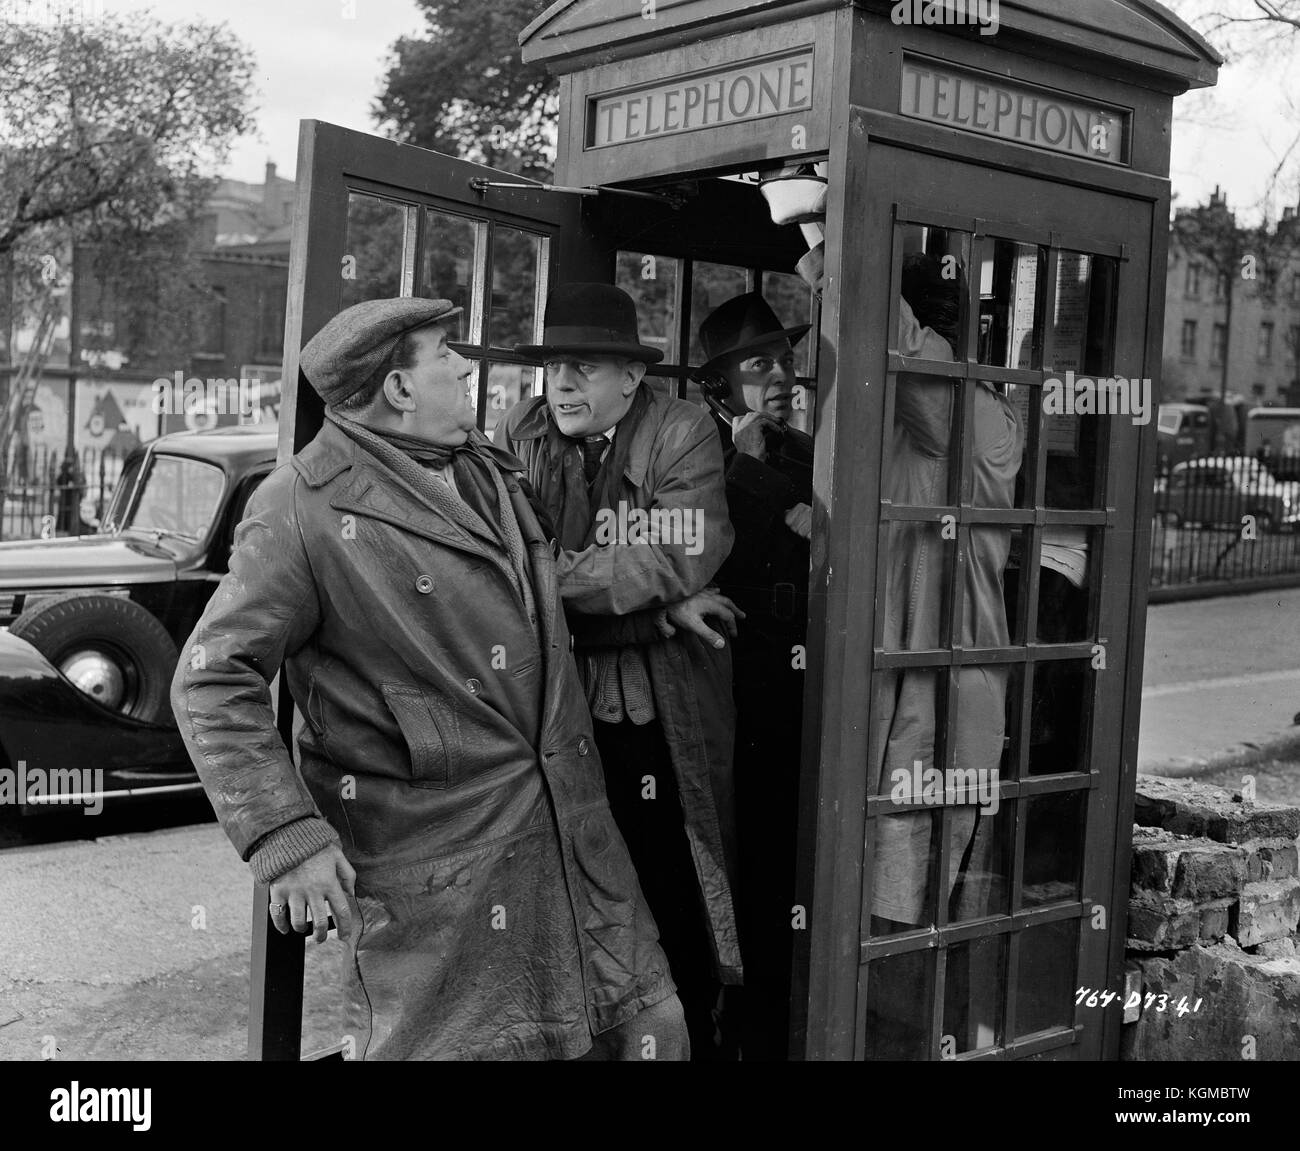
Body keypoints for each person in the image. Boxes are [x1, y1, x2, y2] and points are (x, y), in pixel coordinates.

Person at [171, 296, 685, 1061]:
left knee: (651, 1029)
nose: (465, 364)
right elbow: (212, 677)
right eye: (446, 350)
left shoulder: (486, 467)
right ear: (400, 389)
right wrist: (284, 832)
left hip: (572, 836)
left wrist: (665, 612)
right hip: (441, 865)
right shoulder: (302, 504)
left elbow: (539, 613)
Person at [497, 282, 743, 1060]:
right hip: (552, 717)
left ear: (631, 379)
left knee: (674, 895)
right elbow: (501, 574)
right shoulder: (521, 432)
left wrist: (564, 582)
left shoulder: (681, 429)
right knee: (569, 901)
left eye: (581, 367)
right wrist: (657, 608)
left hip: (663, 719)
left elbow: (677, 554)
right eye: (551, 366)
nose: (560, 383)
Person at [695, 291, 814, 1059]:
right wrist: (747, 472)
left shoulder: (806, 449)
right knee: (718, 861)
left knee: (782, 863)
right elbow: (700, 554)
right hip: (716, 680)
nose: (780, 375)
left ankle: (772, 1026)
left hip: (796, 680)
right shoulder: (694, 453)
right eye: (758, 363)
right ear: (718, 385)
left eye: (785, 359)